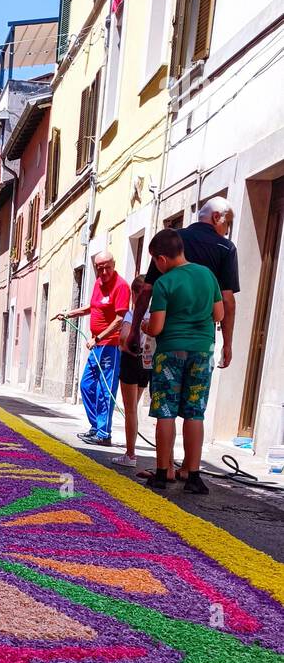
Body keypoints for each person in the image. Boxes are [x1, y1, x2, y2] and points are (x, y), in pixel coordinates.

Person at [143, 228, 223, 497]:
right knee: (194, 412)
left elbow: (156, 327)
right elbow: (219, 313)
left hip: (170, 352)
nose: (156, 265)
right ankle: (193, 475)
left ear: (162, 258)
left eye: (155, 260)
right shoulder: (207, 275)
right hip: (201, 351)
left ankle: (162, 473)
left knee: (165, 411)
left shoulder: (165, 283)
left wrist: (144, 326)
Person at [124, 197, 239, 369]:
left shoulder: (172, 241)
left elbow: (146, 290)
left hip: (169, 343)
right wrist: (228, 343)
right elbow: (226, 302)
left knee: (166, 394)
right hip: (202, 346)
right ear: (216, 217)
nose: (227, 231)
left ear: (160, 260)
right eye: (227, 224)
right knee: (196, 395)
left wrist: (135, 330)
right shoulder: (224, 251)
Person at [53, 252, 130, 446]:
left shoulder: (121, 286)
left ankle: (104, 434)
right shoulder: (98, 284)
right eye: (100, 268)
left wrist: (98, 338)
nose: (104, 271)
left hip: (110, 347)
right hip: (97, 347)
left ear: (114, 265)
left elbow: (120, 319)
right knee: (87, 386)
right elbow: (92, 307)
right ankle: (96, 427)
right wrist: (69, 314)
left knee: (105, 390)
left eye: (107, 267)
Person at [112, 276, 156, 469]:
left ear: (135, 294)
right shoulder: (155, 315)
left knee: (130, 410)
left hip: (132, 360)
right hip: (148, 363)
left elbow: (124, 338)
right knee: (134, 409)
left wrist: (127, 348)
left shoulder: (133, 314)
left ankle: (130, 454)